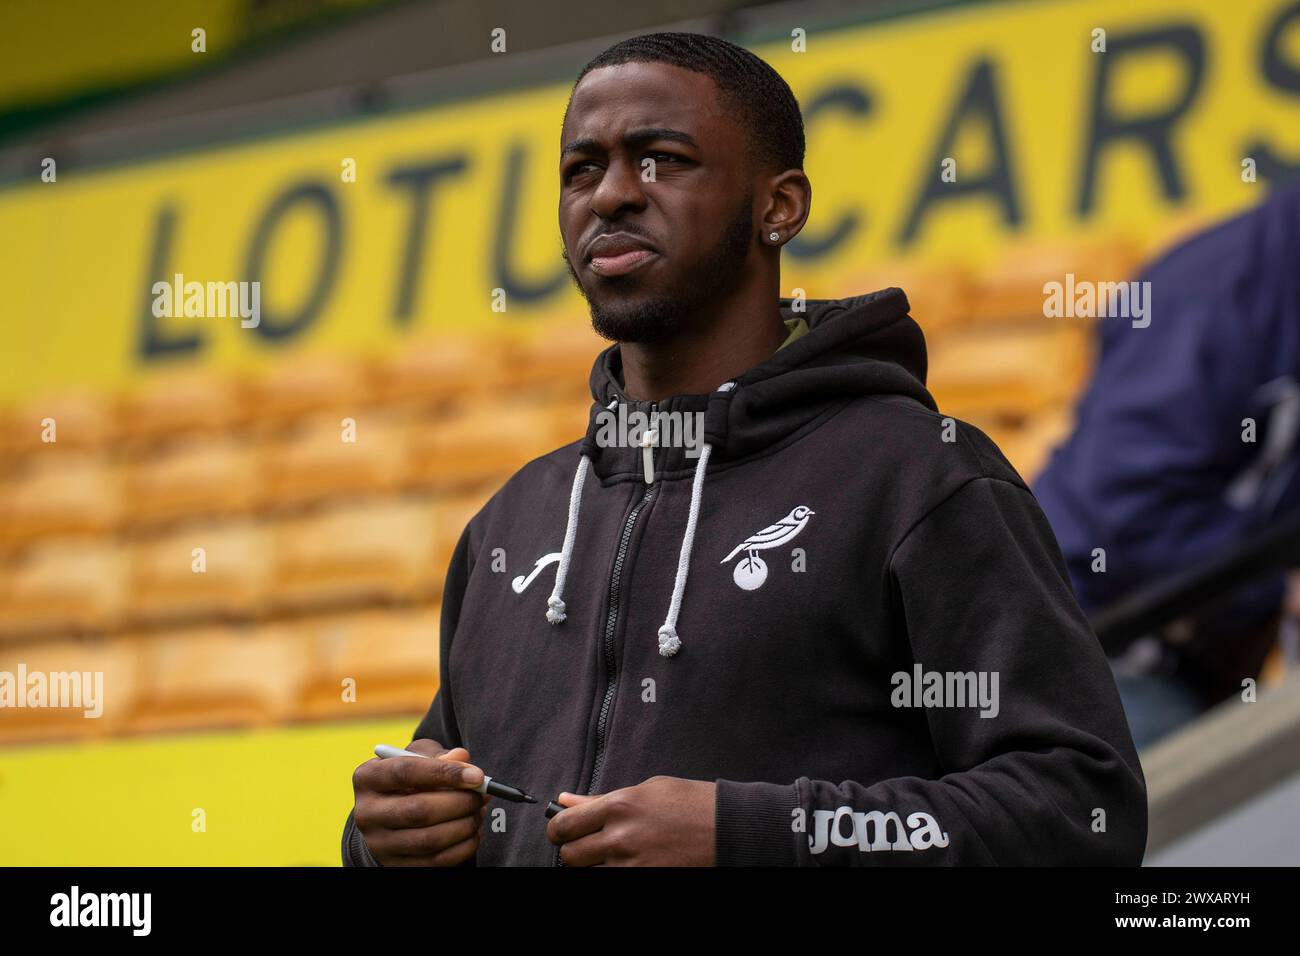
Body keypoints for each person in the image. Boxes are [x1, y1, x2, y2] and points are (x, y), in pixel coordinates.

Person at [343, 31, 1146, 867]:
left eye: (660, 159)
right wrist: (379, 839)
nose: (612, 194)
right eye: (582, 170)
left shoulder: (920, 478)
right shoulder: (511, 522)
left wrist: (754, 834)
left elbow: (1080, 807)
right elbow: (437, 778)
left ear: (780, 207)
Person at [1033, 180, 1300, 749]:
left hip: (1197, 654)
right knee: (1230, 807)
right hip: (1091, 651)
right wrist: (1275, 585)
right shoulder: (1213, 294)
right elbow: (1124, 512)